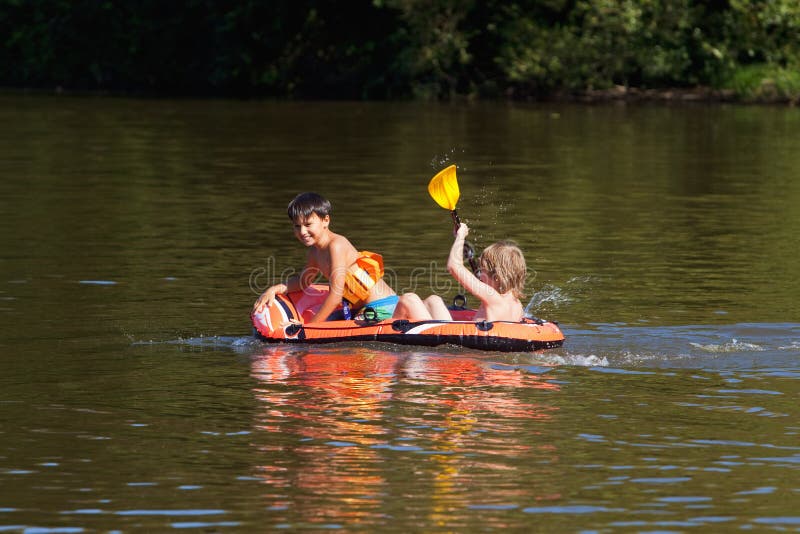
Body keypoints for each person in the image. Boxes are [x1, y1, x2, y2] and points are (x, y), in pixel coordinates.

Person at [252, 192, 398, 322]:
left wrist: (310, 328)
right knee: (332, 319)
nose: (302, 231)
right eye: (297, 226)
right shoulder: (314, 252)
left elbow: (336, 295)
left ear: (325, 220)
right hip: (361, 309)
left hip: (382, 306)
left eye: (308, 224)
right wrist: (274, 289)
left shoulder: (337, 245)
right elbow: (304, 281)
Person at [393, 223, 526, 322]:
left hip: (450, 351)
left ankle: (385, 333)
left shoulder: (491, 296)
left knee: (409, 299)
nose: (479, 274)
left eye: (483, 270)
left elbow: (453, 266)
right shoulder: (516, 304)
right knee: (434, 301)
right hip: (472, 342)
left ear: (497, 277)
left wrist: (460, 236)